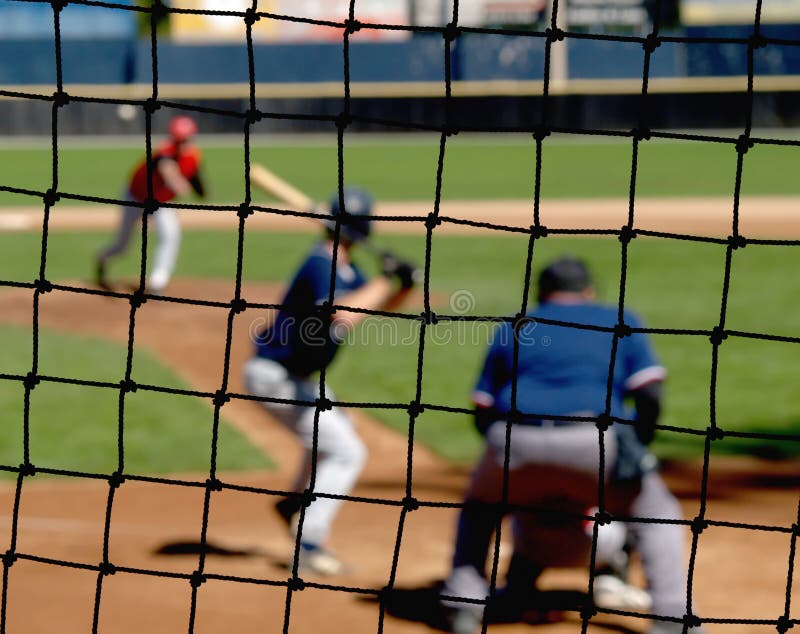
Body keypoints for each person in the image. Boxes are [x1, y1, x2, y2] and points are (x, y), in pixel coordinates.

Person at [441, 256, 704, 634]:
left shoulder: (517, 325)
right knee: (655, 512)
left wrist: (515, 460)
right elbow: (650, 394)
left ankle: (464, 605)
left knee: (480, 509)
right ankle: (672, 617)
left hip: (514, 438)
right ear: (589, 291)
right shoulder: (619, 319)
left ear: (541, 293)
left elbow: (481, 408)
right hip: (593, 440)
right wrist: (637, 448)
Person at [244, 187, 416, 576]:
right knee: (347, 452)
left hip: (296, 378)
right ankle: (309, 541)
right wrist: (386, 278)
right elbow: (343, 315)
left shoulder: (349, 271)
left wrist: (402, 284)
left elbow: (377, 303)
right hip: (275, 378)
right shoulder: (320, 264)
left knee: (339, 429)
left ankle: (292, 502)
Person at [95, 114, 206, 295]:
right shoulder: (164, 152)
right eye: (179, 139)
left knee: (170, 236)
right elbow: (167, 169)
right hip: (135, 198)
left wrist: (197, 190)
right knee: (122, 246)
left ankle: (157, 282)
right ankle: (103, 256)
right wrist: (178, 183)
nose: (183, 143)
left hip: (160, 202)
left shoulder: (193, 156)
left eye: (186, 139)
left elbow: (197, 183)